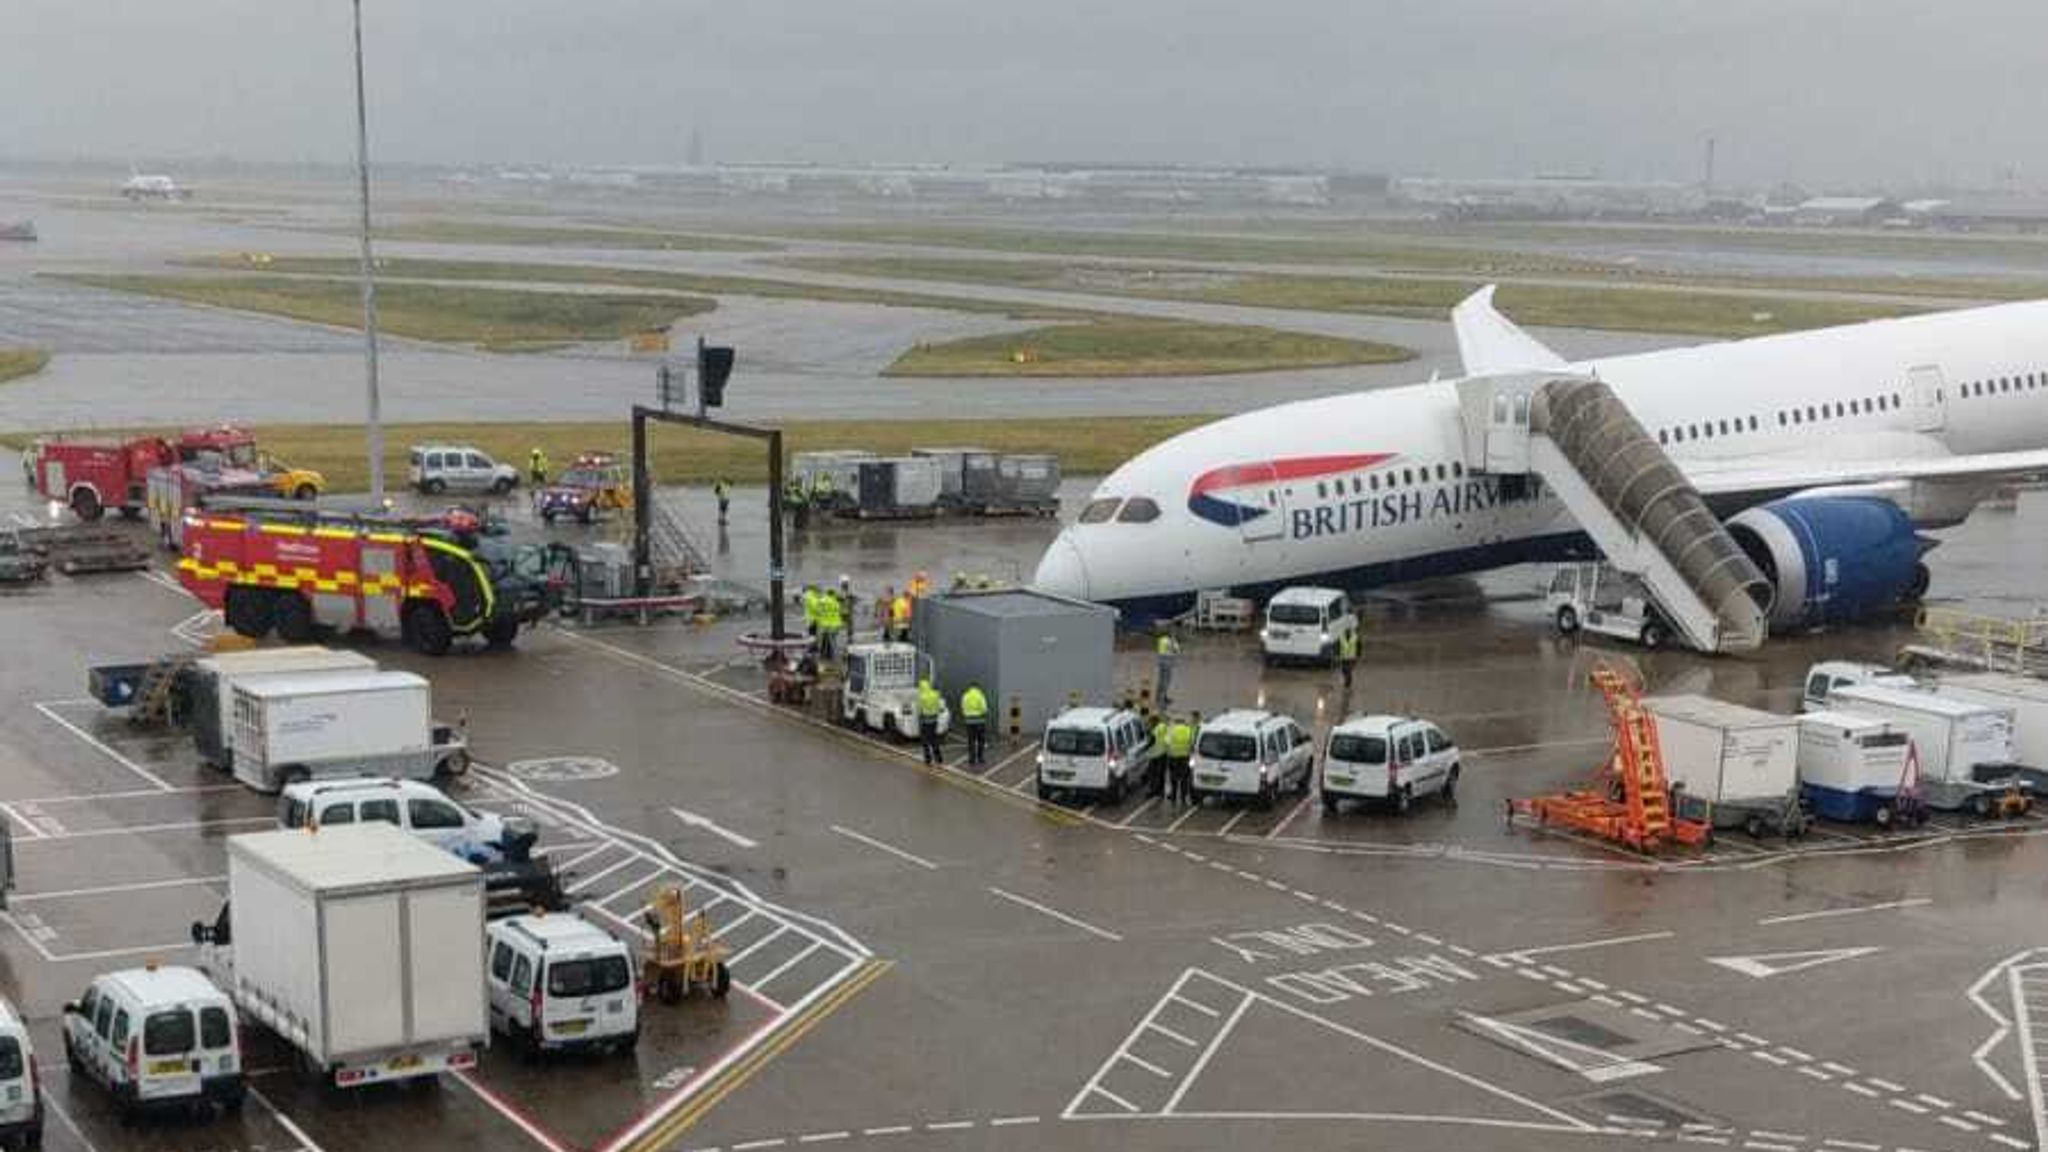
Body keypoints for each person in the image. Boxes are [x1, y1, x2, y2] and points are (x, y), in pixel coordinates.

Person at [1166, 712, 1196, 804]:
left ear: (1176, 722)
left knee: (1173, 778)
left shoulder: (1172, 730)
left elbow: (1167, 741)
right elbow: (1192, 743)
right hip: (1185, 757)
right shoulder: (1188, 729)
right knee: (1184, 778)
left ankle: (1173, 797)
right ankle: (1183, 798)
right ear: (1183, 722)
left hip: (1173, 757)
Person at [960, 681, 989, 766]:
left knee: (971, 740)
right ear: (977, 687)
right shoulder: (980, 695)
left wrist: (967, 714)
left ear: (970, 687)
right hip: (980, 721)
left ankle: (971, 759)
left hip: (969, 721)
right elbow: (984, 708)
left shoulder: (965, 696)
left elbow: (963, 707)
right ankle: (980, 758)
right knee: (981, 740)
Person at [916, 678, 945, 765]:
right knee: (934, 739)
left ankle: (928, 758)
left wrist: (919, 718)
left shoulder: (921, 696)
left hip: (925, 720)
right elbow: (939, 706)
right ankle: (939, 758)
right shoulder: (936, 694)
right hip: (934, 719)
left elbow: (919, 709)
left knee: (925, 740)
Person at [1154, 625, 1181, 708]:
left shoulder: (1161, 640)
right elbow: (1177, 651)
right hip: (1168, 664)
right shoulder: (1171, 641)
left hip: (1161, 663)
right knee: (1166, 683)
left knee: (1161, 681)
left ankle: (1159, 698)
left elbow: (1161, 650)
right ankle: (1161, 702)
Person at [816, 588, 843, 661]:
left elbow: (818, 609)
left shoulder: (822, 601)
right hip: (835, 625)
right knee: (833, 642)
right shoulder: (835, 602)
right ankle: (832, 656)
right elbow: (838, 611)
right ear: (832, 594)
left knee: (827, 642)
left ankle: (828, 656)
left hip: (826, 625)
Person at [1147, 711, 1167, 798]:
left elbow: (1151, 742)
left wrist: (1145, 749)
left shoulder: (1155, 730)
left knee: (1153, 773)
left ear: (1154, 722)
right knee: (1161, 773)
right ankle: (1161, 791)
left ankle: (1153, 791)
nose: (1150, 724)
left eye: (1150, 722)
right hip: (1164, 753)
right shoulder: (1164, 727)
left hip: (1155, 754)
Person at [1338, 625, 1360, 695]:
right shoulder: (1341, 637)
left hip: (1351, 658)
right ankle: (1347, 683)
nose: (1347, 633)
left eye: (1348, 632)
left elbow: (1359, 647)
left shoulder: (1355, 637)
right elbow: (1338, 646)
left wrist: (1358, 656)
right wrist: (1337, 655)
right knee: (1344, 671)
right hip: (1343, 657)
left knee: (1348, 671)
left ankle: (1347, 686)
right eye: (1346, 632)